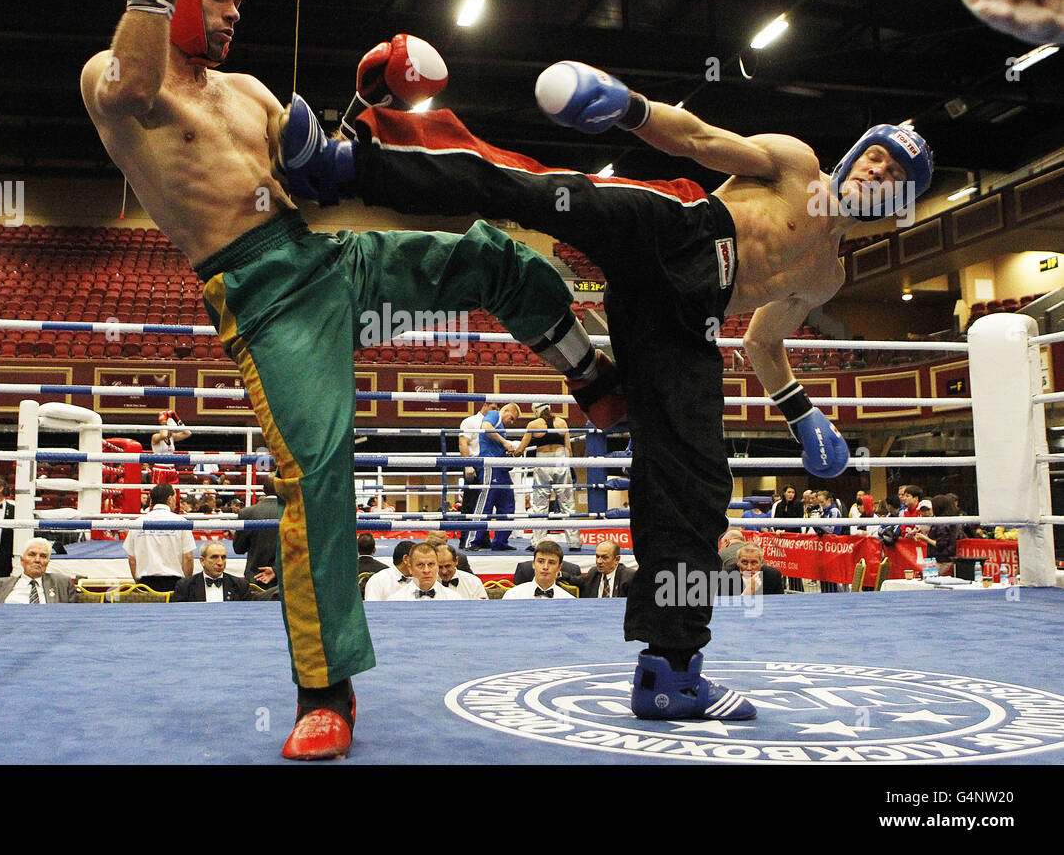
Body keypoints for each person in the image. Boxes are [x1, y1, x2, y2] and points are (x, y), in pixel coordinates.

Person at [80, 0, 624, 760]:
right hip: (265, 297)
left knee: (488, 257)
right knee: (320, 477)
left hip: (325, 256)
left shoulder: (251, 92)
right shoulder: (112, 76)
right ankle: (325, 692)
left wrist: (354, 118)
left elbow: (319, 186)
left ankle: (592, 378)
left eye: (237, 5)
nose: (229, 18)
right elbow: (138, 86)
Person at [278, 54, 933, 722]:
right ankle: (346, 162)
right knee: (537, 190)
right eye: (878, 157)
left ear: (899, 201)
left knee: (695, 488)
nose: (878, 173)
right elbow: (702, 138)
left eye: (896, 176)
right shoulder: (797, 166)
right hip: (679, 228)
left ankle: (671, 670)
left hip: (686, 317)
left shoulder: (827, 278)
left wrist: (801, 414)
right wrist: (631, 108)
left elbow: (764, 343)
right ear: (858, 155)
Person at [516, 402, 579, 552]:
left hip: (543, 461)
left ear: (536, 411)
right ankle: (575, 543)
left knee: (540, 504)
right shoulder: (562, 422)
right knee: (567, 502)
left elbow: (521, 449)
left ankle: (538, 542)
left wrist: (513, 452)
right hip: (561, 460)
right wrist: (570, 467)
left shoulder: (533, 424)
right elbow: (568, 448)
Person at [471, 402, 523, 552]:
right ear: (505, 410)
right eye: (512, 418)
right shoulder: (495, 415)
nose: (512, 422)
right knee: (486, 501)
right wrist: (505, 443)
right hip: (490, 463)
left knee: (508, 504)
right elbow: (486, 428)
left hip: (501, 467)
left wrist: (506, 451)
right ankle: (474, 540)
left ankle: (500, 542)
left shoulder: (502, 428)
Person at [126, 483, 195, 593]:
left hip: (145, 582)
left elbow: (132, 559)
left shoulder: (138, 523)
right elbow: (188, 557)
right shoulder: (181, 522)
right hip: (175, 582)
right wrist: (185, 584)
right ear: (170, 499)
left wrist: (138, 583)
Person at [0, 539, 75, 604]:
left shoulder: (63, 583)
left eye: (43, 556)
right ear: (22, 560)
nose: (37, 560)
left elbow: (72, 619)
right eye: (32, 554)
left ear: (47, 562)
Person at [457, 402, 497, 549]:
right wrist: (468, 464)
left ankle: (482, 538)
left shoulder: (494, 424)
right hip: (474, 463)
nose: (495, 412)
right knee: (470, 502)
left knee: (486, 503)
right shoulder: (470, 421)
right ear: (485, 405)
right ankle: (465, 539)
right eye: (493, 408)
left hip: (489, 465)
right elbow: (463, 443)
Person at [234, 477, 281, 589]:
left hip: (255, 577)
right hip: (284, 577)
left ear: (264, 490)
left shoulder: (247, 513)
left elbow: (239, 549)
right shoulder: (293, 512)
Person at [172, 542, 252, 602]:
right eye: (214, 557)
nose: (220, 563)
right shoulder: (185, 586)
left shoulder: (241, 586)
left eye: (223, 557)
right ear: (202, 561)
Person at [503, 540, 576, 599]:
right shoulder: (513, 596)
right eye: (541, 561)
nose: (545, 567)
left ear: (559, 567)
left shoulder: (569, 600)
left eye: (551, 562)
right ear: (533, 564)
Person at [720, 543, 786, 596]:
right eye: (744, 562)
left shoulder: (773, 576)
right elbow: (721, 607)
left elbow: (779, 604)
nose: (749, 568)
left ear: (762, 563)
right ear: (738, 562)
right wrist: (747, 593)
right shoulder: (728, 575)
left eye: (754, 563)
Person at [150, 410, 192, 487]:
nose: (171, 431)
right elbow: (163, 435)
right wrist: (163, 421)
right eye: (170, 429)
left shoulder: (172, 437)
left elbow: (188, 433)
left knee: (174, 493)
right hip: (160, 469)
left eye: (172, 429)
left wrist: (177, 418)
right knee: (160, 494)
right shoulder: (155, 437)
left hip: (171, 469)